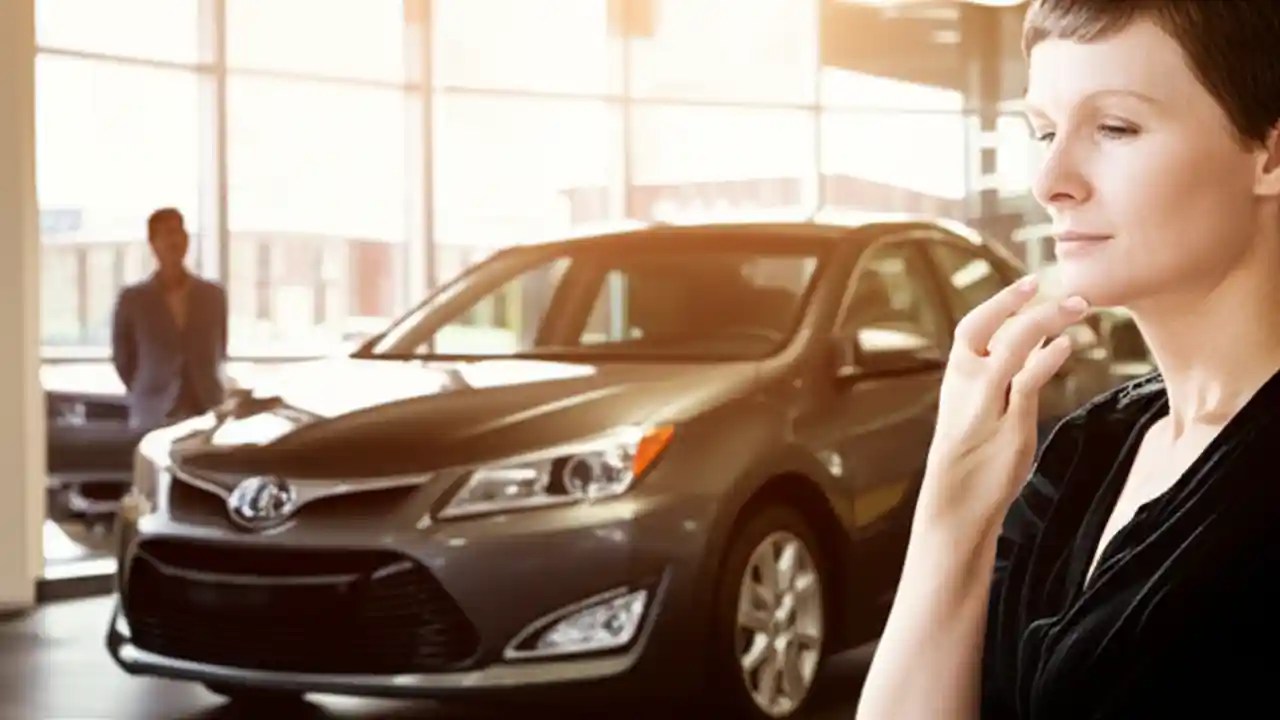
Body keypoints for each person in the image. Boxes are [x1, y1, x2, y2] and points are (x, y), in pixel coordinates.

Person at [855, 1, 1280, 718]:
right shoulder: (1087, 451)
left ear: (1269, 154)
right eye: (1045, 132)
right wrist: (952, 515)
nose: (1050, 180)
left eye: (1115, 128)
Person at [111, 207, 228, 429]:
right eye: (166, 234)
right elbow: (123, 358)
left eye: (178, 233)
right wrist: (149, 384)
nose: (174, 241)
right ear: (153, 243)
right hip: (153, 410)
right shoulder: (133, 299)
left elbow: (220, 347)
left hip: (206, 408)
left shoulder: (213, 296)